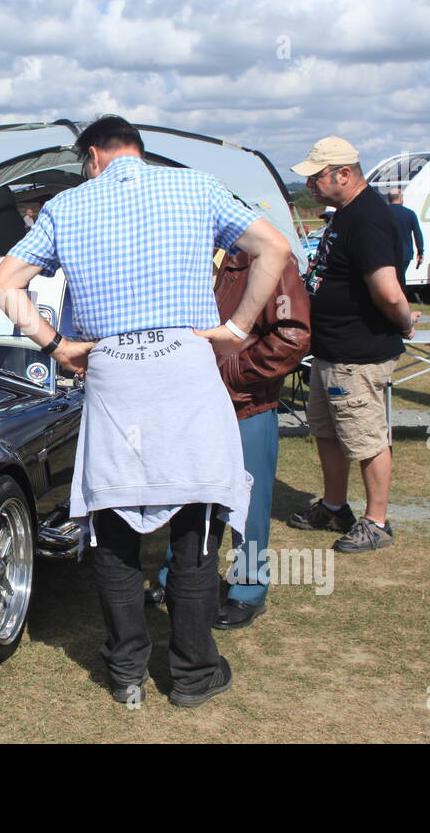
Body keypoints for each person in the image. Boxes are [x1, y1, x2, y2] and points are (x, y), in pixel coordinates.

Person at [0, 115, 291, 707]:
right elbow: (275, 248)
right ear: (135, 151)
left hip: (112, 369)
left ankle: (127, 671)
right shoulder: (196, 186)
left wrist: (56, 345)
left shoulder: (67, 206)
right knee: (196, 520)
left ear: (93, 156)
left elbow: (3, 283)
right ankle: (194, 674)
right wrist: (237, 327)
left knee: (114, 523)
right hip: (186, 362)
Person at [152, 250, 311, 629]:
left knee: (249, 504)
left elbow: (292, 336)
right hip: (184, 402)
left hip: (244, 405)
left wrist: (231, 375)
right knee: (185, 496)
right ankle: (177, 577)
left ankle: (249, 588)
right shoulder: (175, 252)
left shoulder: (266, 258)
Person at [288, 137, 418, 554]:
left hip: (356, 354)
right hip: (331, 351)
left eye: (316, 176)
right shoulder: (346, 213)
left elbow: (387, 289)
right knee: (327, 433)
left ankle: (377, 522)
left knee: (365, 439)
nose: (309, 184)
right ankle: (334, 505)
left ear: (344, 173)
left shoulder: (368, 218)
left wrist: (404, 322)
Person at [387, 188, 424, 279]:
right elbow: (417, 234)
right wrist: (420, 252)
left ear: (389, 199)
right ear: (401, 198)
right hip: (405, 254)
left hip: (387, 254)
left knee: (390, 280)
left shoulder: (382, 212)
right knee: (401, 278)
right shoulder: (410, 214)